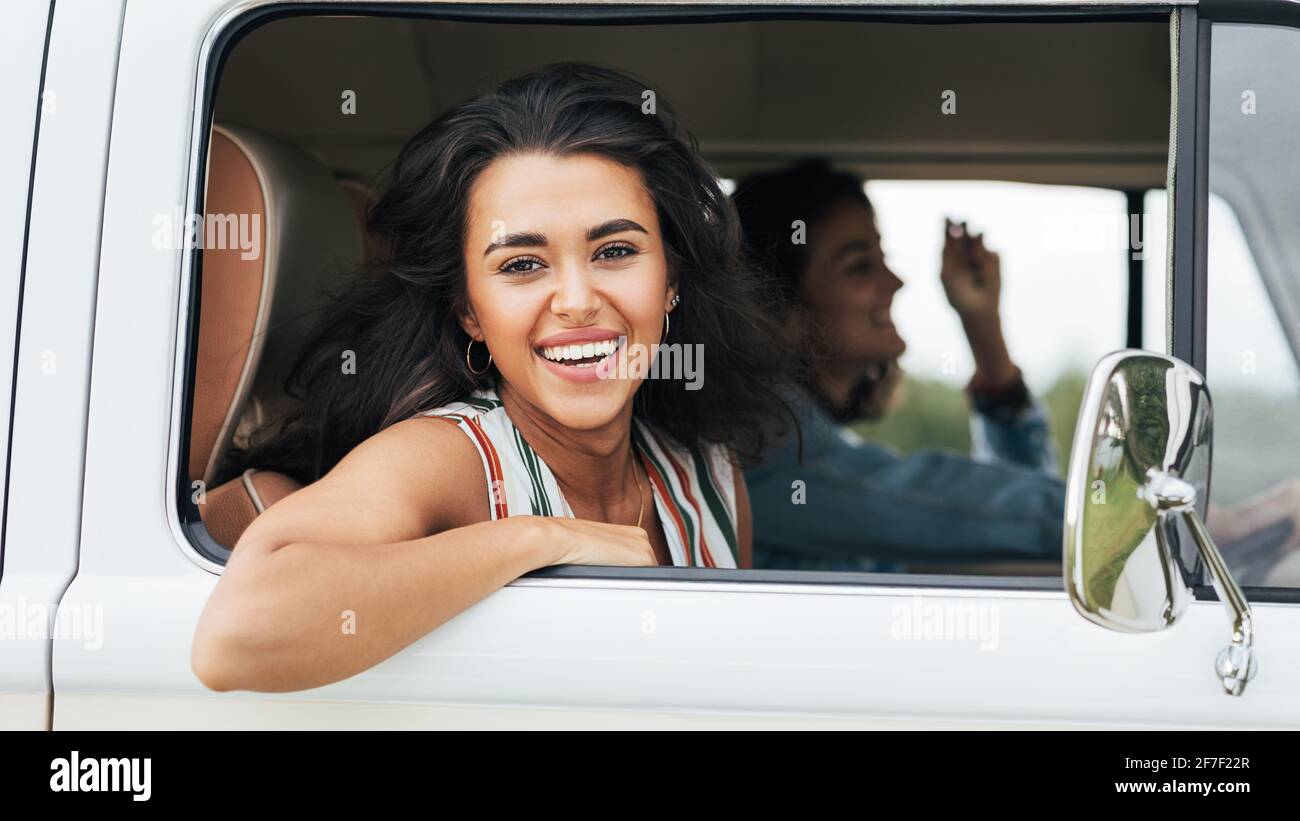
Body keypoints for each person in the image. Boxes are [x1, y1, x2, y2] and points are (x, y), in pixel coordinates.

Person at [191, 63, 795, 692]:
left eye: (615, 251)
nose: (576, 300)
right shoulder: (448, 456)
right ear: (470, 311)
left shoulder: (707, 473)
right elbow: (239, 635)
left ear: (670, 280)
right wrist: (540, 538)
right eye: (523, 264)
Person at [731, 160, 1065, 572]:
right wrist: (1116, 513)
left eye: (882, 257)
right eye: (859, 266)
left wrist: (983, 330)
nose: (895, 282)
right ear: (780, 307)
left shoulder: (800, 454)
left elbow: (1011, 533)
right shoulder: (763, 452)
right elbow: (997, 519)